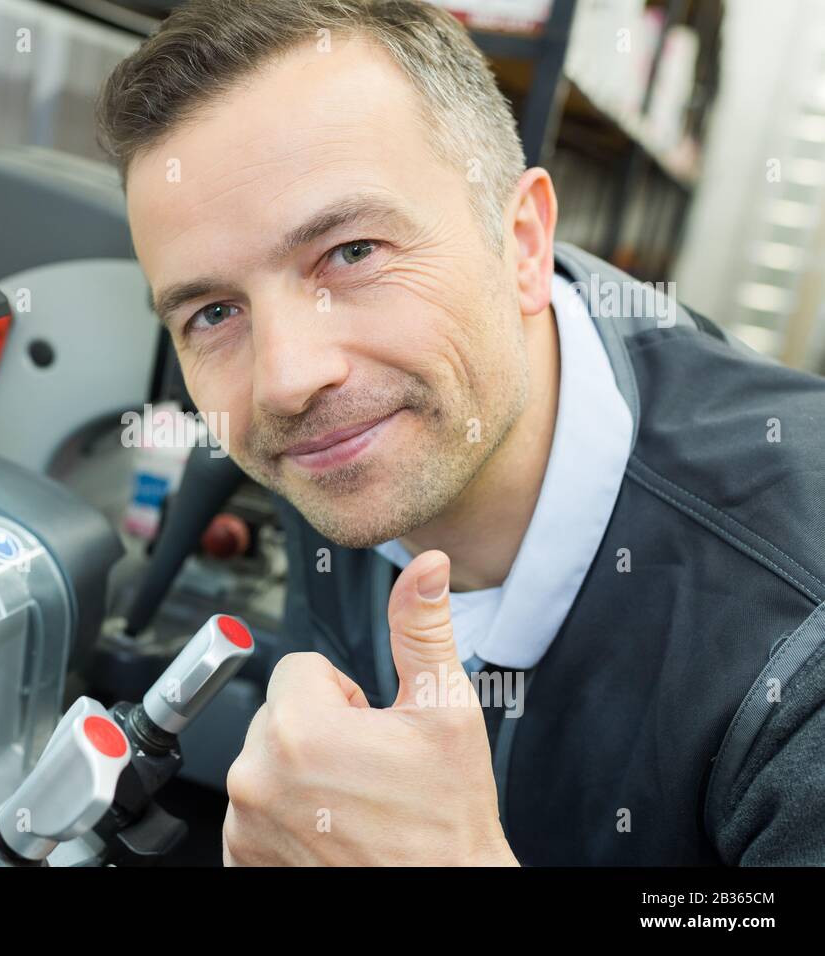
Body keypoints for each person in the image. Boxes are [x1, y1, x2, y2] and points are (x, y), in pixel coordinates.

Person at [93, 0, 825, 865]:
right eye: (214, 311)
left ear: (521, 243)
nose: (287, 380)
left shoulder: (796, 637)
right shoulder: (360, 430)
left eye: (354, 252)